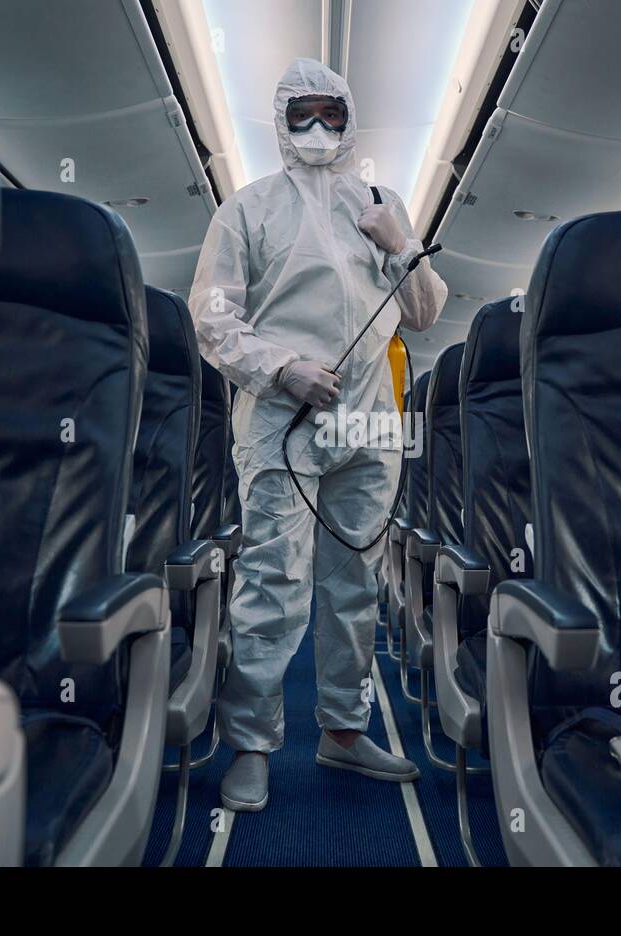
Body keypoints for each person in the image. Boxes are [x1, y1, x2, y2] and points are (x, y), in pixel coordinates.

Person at [188, 58, 447, 812]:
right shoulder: (248, 209)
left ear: (349, 118)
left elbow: (426, 312)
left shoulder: (380, 201)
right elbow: (213, 318)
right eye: (304, 112)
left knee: (357, 585)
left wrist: (401, 243)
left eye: (332, 113)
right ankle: (252, 744)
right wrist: (281, 368)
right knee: (273, 582)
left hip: (370, 422)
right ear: (280, 117)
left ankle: (342, 731)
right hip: (281, 421)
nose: (318, 127)